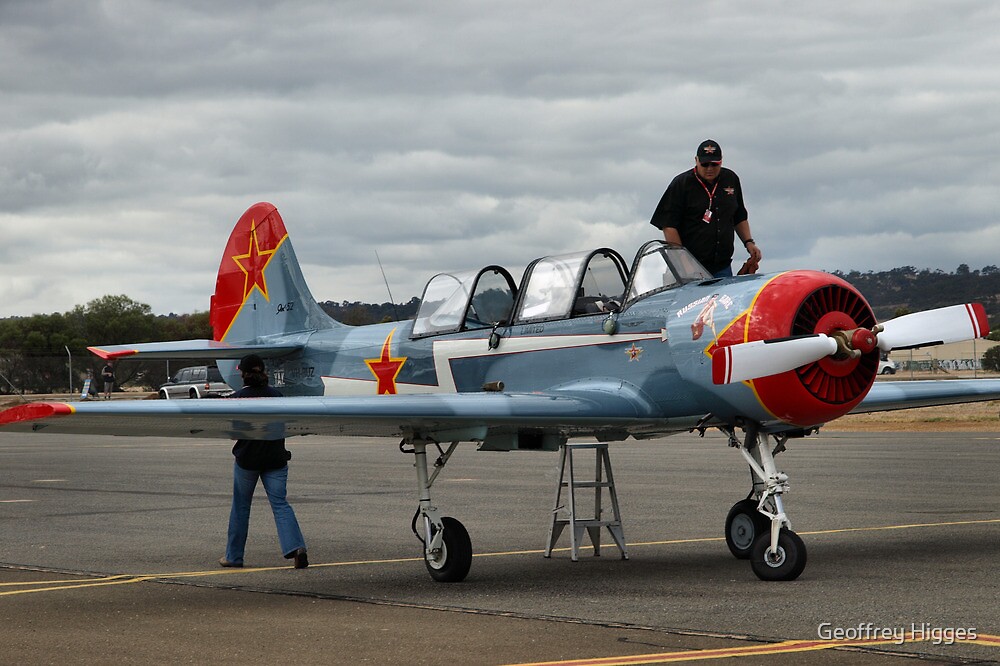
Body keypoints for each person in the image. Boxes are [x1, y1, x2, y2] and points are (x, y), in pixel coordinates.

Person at [219, 354, 308, 569]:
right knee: (280, 504)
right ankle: (296, 548)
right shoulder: (277, 396)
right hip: (276, 459)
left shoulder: (238, 398)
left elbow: (233, 432)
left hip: (247, 461)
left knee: (241, 507)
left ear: (243, 374)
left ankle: (234, 556)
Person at [650, 139, 762, 277]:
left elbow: (739, 216)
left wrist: (749, 242)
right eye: (705, 164)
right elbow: (668, 225)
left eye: (714, 164)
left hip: (722, 267)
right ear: (696, 160)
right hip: (688, 268)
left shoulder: (731, 179)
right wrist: (683, 261)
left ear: (721, 161)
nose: (709, 169)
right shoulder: (681, 184)